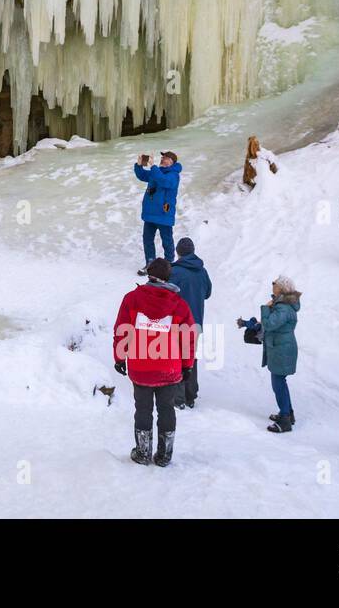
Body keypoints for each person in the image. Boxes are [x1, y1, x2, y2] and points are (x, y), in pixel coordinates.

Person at [112, 258, 197, 468]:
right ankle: (164, 455)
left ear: (149, 274)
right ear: (169, 277)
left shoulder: (132, 299)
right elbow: (188, 338)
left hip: (141, 367)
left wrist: (119, 357)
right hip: (169, 368)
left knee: (143, 409)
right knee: (167, 409)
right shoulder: (179, 304)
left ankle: (142, 452)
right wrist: (187, 365)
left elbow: (122, 330)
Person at [237, 275, 301, 433]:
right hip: (280, 347)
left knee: (278, 383)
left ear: (281, 288)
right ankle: (288, 413)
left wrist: (265, 308)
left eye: (275, 283)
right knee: (280, 382)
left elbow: (269, 324)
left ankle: (285, 419)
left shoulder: (284, 307)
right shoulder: (282, 304)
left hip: (282, 349)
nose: (272, 284)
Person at [169, 237, 212, 409]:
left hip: (178, 322)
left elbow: (168, 295)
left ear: (178, 252)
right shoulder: (202, 271)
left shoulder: (175, 272)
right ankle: (191, 395)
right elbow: (208, 293)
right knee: (191, 358)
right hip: (197, 323)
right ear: (193, 251)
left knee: (178, 358)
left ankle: (178, 398)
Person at [133, 151, 182, 275]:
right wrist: (139, 165)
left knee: (167, 240)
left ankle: (169, 264)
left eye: (166, 158)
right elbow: (142, 175)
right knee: (147, 239)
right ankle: (150, 263)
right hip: (150, 213)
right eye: (162, 157)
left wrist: (153, 167)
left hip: (163, 213)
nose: (162, 159)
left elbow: (164, 181)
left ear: (172, 162)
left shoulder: (173, 175)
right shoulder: (157, 172)